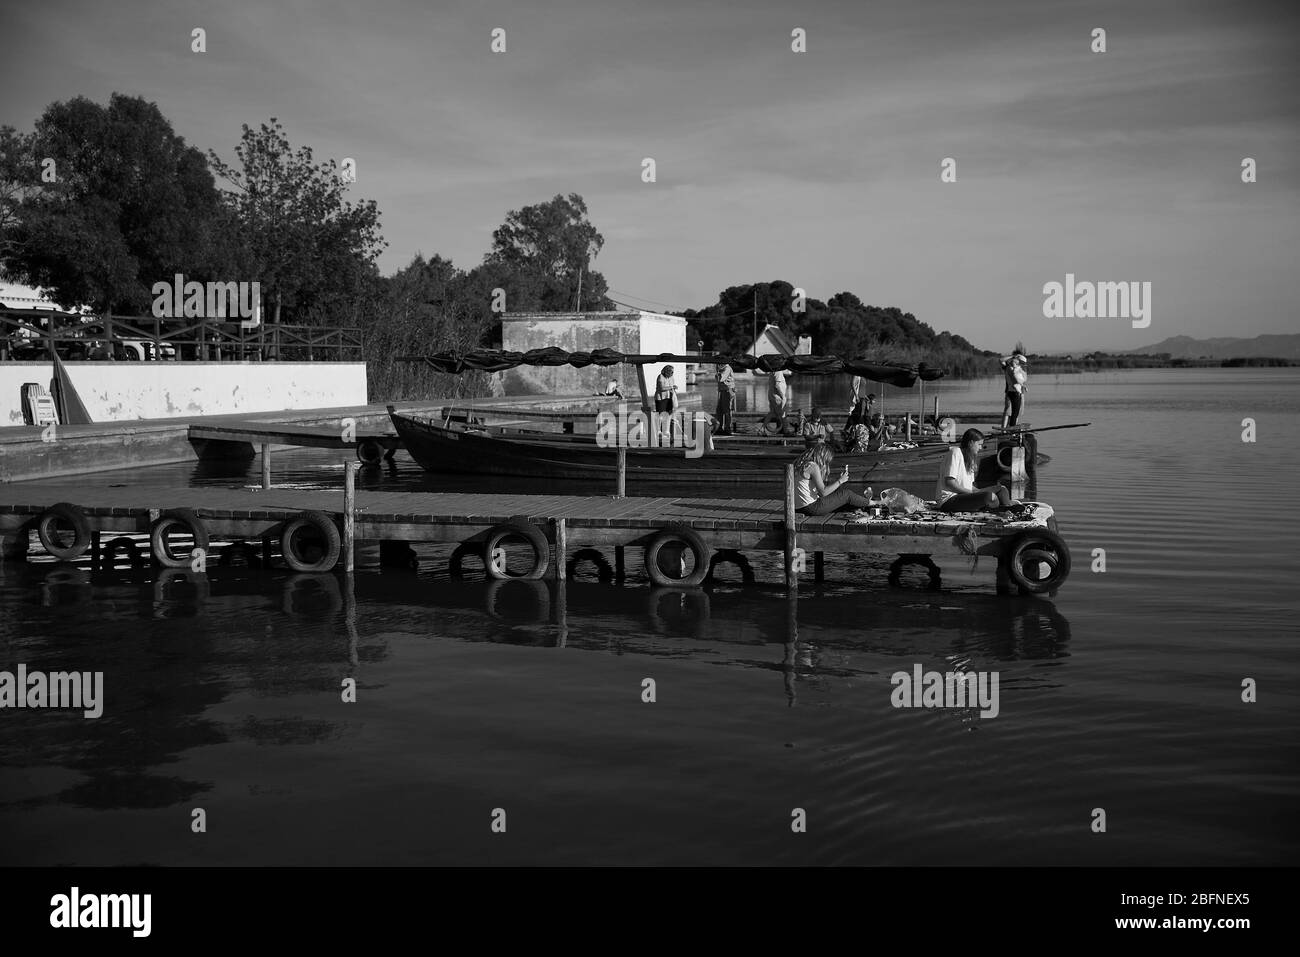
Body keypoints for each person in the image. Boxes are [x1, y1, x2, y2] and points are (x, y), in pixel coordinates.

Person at [935, 428, 1019, 513]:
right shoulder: (955, 452)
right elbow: (950, 483)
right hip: (949, 501)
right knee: (989, 496)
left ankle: (1006, 507)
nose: (981, 448)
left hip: (965, 496)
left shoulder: (970, 459)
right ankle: (1002, 508)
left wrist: (980, 491)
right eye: (979, 444)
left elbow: (970, 487)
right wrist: (973, 493)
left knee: (1001, 489)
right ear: (971, 443)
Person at [794, 442, 874, 515]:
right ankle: (874, 503)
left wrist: (838, 481)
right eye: (827, 461)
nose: (826, 463)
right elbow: (823, 493)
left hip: (798, 508)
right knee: (847, 494)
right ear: (823, 456)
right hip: (811, 508)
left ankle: (864, 505)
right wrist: (840, 481)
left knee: (841, 497)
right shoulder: (813, 466)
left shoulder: (802, 464)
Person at [1000, 352, 1028, 429]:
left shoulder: (1019, 369)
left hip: (1016, 392)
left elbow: (1022, 380)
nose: (1023, 365)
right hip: (1013, 392)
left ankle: (1011, 429)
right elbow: (1001, 360)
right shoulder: (1010, 368)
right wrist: (1013, 356)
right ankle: (1008, 430)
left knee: (1015, 413)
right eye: (1022, 363)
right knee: (1011, 413)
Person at [655, 364, 678, 441]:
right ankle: (658, 431)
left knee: (669, 414)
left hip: (669, 397)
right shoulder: (660, 377)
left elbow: (672, 386)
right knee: (661, 415)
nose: (672, 373)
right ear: (666, 371)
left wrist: (674, 387)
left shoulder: (671, 377)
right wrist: (671, 387)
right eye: (671, 372)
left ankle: (666, 431)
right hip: (661, 398)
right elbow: (661, 388)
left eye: (673, 372)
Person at [715, 362, 736, 434]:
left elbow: (721, 378)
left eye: (718, 363)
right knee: (719, 410)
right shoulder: (722, 368)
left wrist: (718, 373)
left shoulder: (727, 368)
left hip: (728, 390)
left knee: (727, 410)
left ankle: (728, 429)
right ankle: (719, 428)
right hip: (723, 390)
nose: (717, 364)